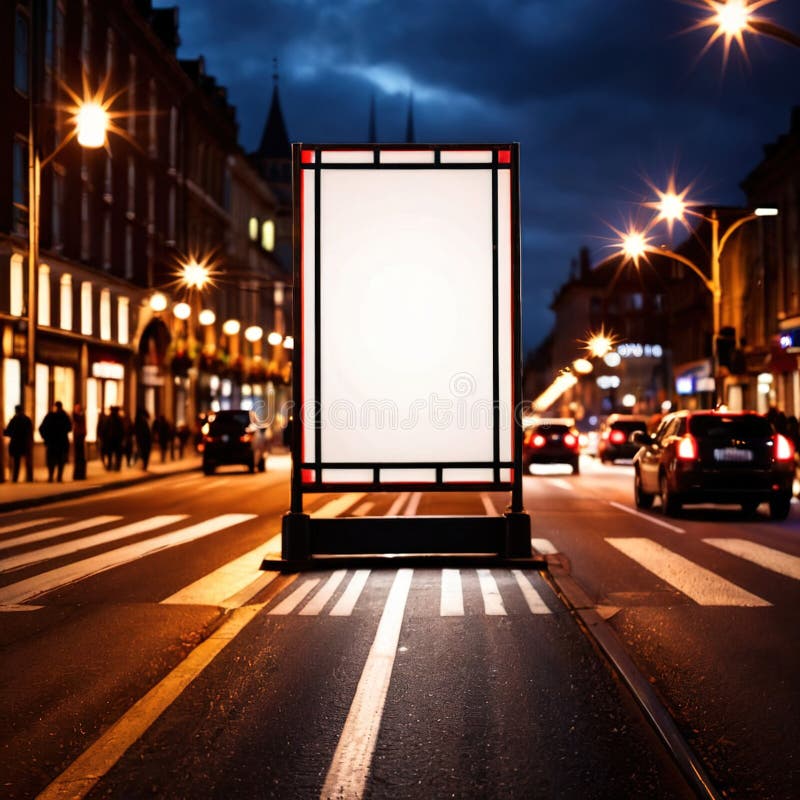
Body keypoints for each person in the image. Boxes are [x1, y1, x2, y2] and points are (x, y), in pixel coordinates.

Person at [39, 401, 72, 482]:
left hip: (53, 442)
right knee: (60, 460)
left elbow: (41, 428)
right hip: (60, 442)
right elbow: (70, 428)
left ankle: (51, 476)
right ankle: (58, 477)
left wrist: (46, 438)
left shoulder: (51, 416)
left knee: (52, 460)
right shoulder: (64, 416)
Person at [3, 405, 34, 482]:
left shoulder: (14, 420)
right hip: (25, 443)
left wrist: (3, 431)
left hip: (16, 444)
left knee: (17, 462)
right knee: (28, 462)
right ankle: (29, 478)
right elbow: (30, 432)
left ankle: (15, 479)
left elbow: (8, 432)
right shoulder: (27, 420)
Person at [104, 406, 125, 471]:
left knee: (113, 453)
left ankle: (114, 465)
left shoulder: (113, 419)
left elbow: (122, 430)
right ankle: (114, 465)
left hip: (114, 439)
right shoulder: (113, 419)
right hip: (113, 439)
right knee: (114, 454)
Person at [72, 403, 87, 480]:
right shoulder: (79, 416)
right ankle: (78, 475)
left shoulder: (80, 416)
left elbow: (76, 419)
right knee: (78, 458)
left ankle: (80, 475)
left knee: (80, 457)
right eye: (75, 408)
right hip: (77, 438)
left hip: (79, 438)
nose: (76, 409)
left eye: (77, 408)